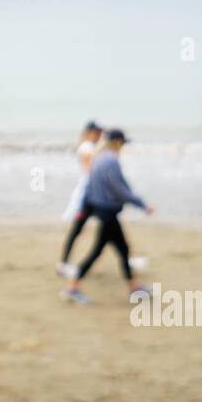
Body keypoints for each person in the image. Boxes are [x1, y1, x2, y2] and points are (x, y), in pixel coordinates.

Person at [61, 129, 152, 305]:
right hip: (108, 212)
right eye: (123, 143)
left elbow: (91, 187)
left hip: (103, 211)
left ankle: (135, 287)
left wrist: (86, 209)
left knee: (122, 250)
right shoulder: (110, 161)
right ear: (117, 142)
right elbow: (119, 189)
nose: (124, 147)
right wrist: (142, 204)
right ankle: (72, 288)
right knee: (99, 252)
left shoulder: (99, 158)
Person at [58, 121, 103, 278]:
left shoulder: (88, 147)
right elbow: (90, 170)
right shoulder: (87, 148)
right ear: (91, 132)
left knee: (107, 226)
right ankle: (63, 264)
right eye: (97, 133)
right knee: (77, 229)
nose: (99, 136)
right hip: (88, 194)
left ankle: (63, 263)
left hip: (91, 193)